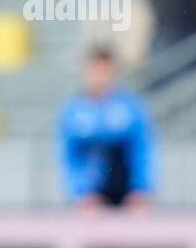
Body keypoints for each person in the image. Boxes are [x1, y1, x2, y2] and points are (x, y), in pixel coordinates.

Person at [58, 46, 156, 211]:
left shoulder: (131, 109)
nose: (100, 78)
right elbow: (69, 157)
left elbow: (142, 149)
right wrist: (81, 192)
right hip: (91, 197)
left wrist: (141, 188)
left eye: (105, 72)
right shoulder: (73, 112)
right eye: (95, 71)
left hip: (128, 194)